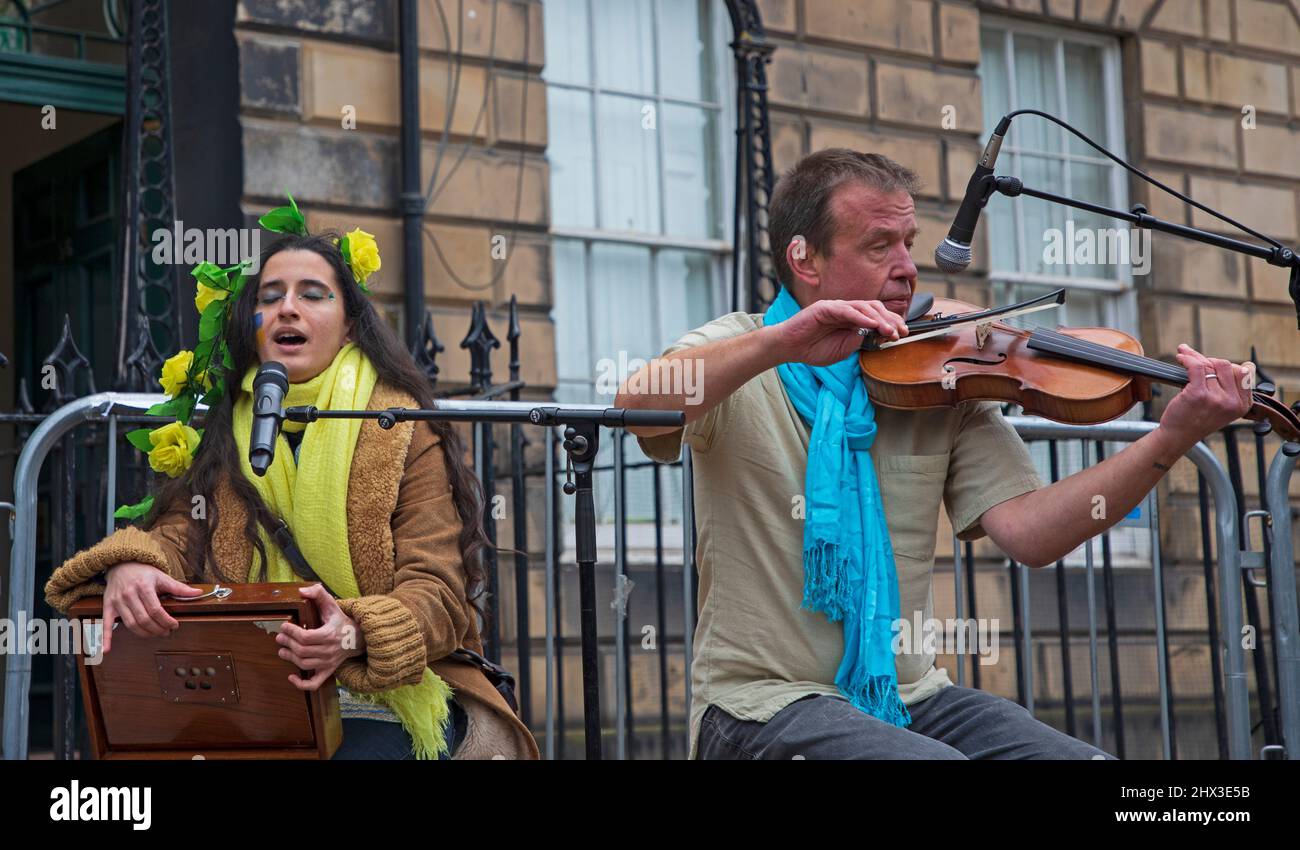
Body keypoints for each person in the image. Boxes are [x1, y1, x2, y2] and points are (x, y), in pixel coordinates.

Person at [616, 148, 1255, 760]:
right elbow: (636, 403)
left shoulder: (938, 371)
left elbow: (1032, 535)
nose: (908, 268)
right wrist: (782, 343)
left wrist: (1170, 438)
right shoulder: (741, 348)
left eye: (907, 244)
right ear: (805, 261)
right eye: (878, 246)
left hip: (908, 697)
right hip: (759, 706)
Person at [45, 218, 538, 760]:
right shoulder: (223, 428)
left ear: (350, 325)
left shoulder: (403, 428)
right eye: (270, 296)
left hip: (381, 695)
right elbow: (178, 535)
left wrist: (351, 634)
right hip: (250, 699)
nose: (287, 308)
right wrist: (136, 564)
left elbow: (437, 591)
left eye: (313, 294)